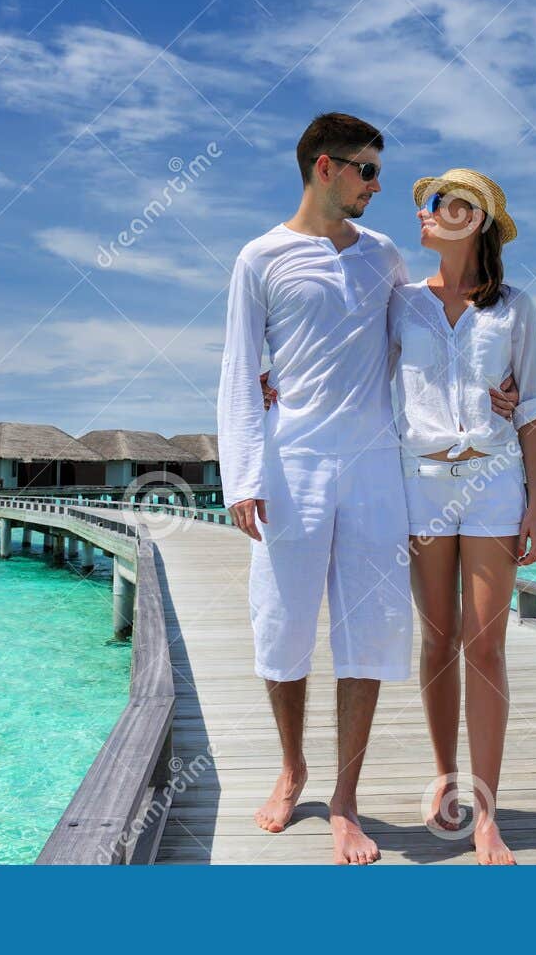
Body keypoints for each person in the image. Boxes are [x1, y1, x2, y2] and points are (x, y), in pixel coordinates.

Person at [217, 114, 518, 865]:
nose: (378, 186)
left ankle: (346, 799)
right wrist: (243, 476)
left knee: (373, 627)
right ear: (326, 168)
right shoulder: (259, 258)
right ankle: (293, 769)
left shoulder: (384, 258)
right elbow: (236, 372)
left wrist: (496, 393)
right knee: (282, 624)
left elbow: (428, 338)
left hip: (376, 463)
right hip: (293, 462)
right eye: (368, 172)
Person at [388, 168, 536, 865]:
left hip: (491, 481)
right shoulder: (399, 303)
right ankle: (444, 777)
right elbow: (355, 375)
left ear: (475, 219)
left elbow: (535, 406)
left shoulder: (516, 309)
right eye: (426, 203)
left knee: (485, 646)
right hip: (421, 483)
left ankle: (487, 812)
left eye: (441, 203)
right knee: (438, 637)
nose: (424, 211)